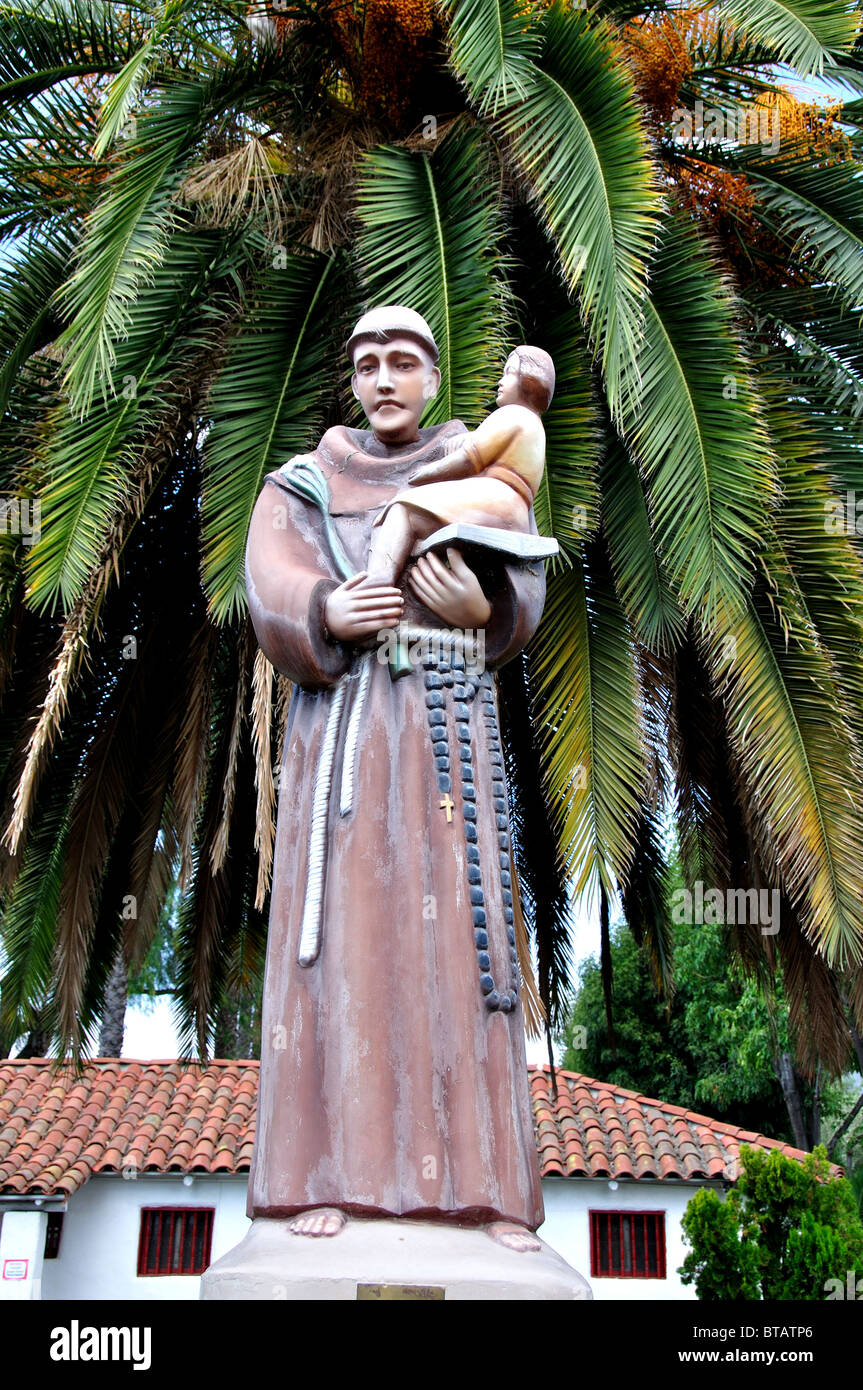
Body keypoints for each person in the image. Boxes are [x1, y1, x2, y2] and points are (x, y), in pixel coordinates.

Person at [243, 305, 547, 1249]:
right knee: (342, 947)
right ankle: (321, 1171)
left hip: (446, 731)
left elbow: (519, 583)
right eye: (367, 362)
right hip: (341, 741)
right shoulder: (297, 485)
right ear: (351, 377)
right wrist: (329, 609)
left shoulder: (483, 469)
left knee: (466, 946)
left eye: (403, 362)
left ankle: (485, 1188)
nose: (383, 379)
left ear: (431, 376)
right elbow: (269, 583)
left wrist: (483, 611)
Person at [365, 345, 555, 586]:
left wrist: (423, 475)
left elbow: (469, 459)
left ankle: (376, 584)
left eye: (509, 373)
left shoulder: (513, 414)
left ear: (529, 380)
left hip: (495, 500)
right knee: (417, 517)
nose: (501, 381)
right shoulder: (533, 424)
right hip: (510, 511)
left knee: (402, 508)